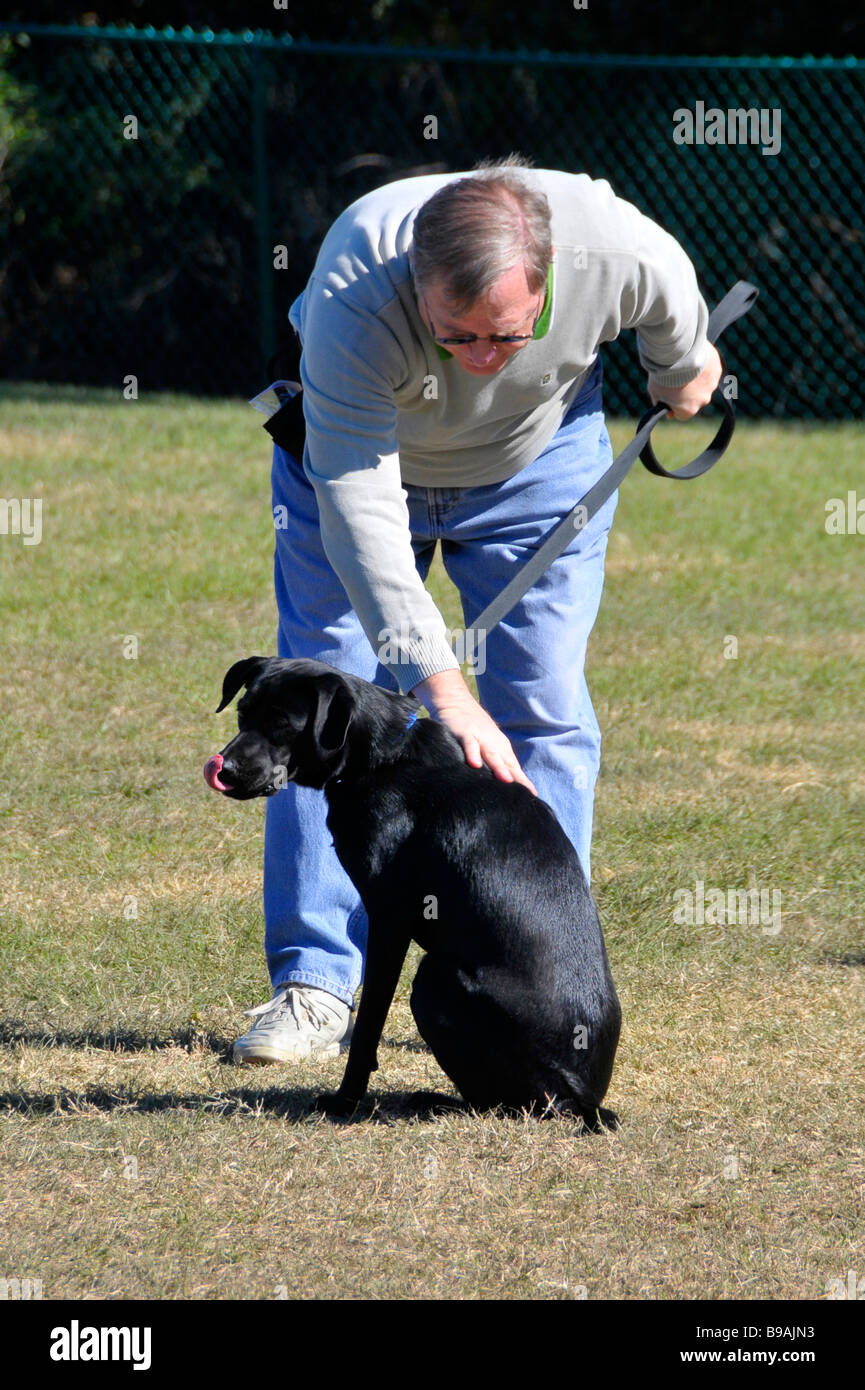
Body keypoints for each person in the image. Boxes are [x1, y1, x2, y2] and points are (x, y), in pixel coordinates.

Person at [232, 156, 721, 1064]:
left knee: (542, 708)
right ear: (415, 290)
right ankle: (314, 985)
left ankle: (538, 981)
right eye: (454, 338)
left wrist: (684, 366)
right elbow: (360, 518)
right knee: (316, 711)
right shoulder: (352, 294)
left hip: (540, 465)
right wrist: (445, 693)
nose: (481, 360)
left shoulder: (608, 244)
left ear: (548, 278)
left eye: (506, 334)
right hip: (360, 472)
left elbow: (674, 301)